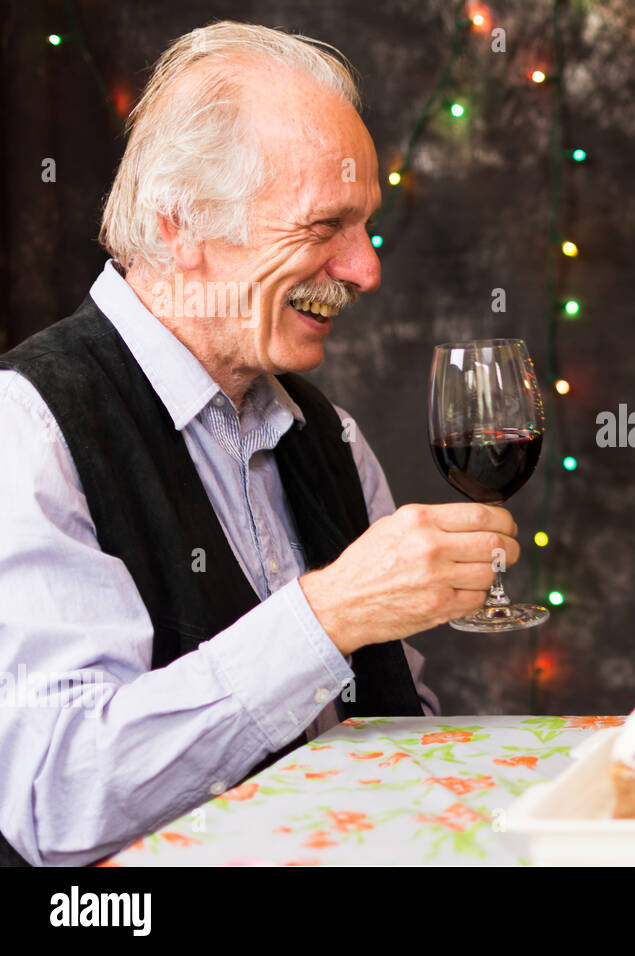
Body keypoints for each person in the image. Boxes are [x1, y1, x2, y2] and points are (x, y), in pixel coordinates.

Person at [0, 23, 519, 866]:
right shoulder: (27, 428)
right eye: (326, 226)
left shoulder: (332, 439)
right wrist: (333, 612)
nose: (365, 269)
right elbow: (55, 798)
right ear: (180, 228)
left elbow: (395, 728)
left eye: (365, 227)